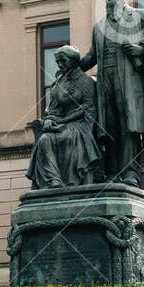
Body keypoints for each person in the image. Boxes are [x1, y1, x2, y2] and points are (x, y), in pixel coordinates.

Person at [78, 0, 144, 186]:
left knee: (130, 125)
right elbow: (92, 56)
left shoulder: (140, 16)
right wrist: (72, 67)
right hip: (106, 81)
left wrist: (141, 50)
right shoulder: (99, 27)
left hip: (131, 82)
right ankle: (112, 172)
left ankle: (130, 173)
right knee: (109, 126)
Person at [27, 45, 103, 189]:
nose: (60, 64)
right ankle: (54, 181)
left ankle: (73, 181)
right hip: (61, 124)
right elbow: (52, 108)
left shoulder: (86, 81)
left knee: (67, 138)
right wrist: (50, 119)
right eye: (58, 62)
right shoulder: (58, 83)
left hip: (80, 125)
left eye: (63, 61)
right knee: (44, 140)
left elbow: (88, 108)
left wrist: (63, 121)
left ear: (74, 60)